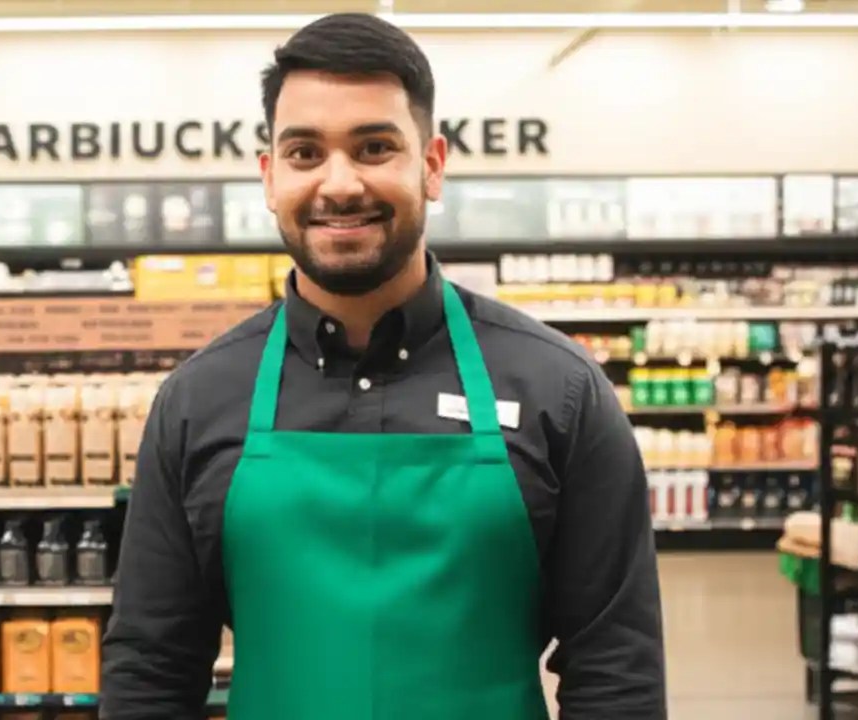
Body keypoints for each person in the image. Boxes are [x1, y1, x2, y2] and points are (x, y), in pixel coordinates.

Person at [101, 12, 666, 720]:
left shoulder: (561, 390)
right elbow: (150, 669)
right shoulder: (198, 400)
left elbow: (616, 671)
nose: (340, 184)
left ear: (431, 166)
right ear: (270, 177)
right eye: (305, 152)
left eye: (374, 147)